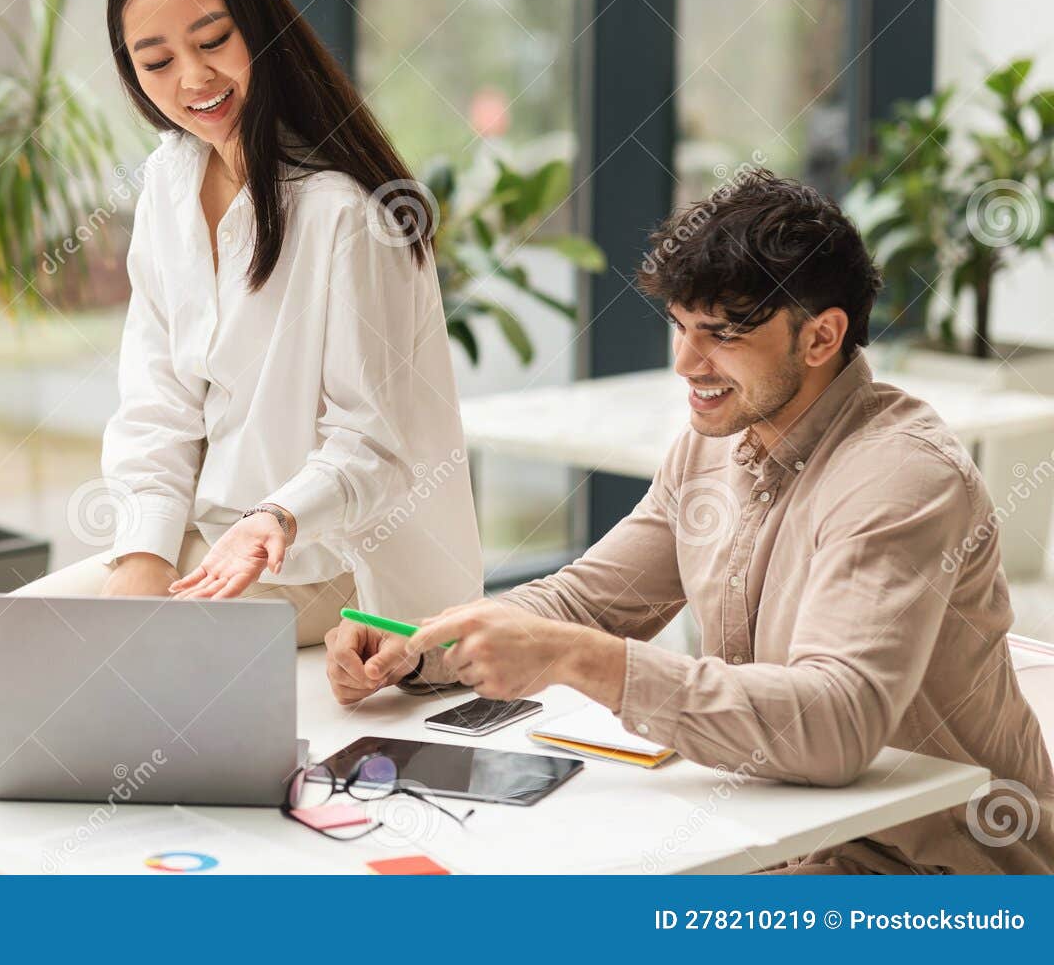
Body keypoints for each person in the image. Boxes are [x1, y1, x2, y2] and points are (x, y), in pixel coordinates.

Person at [325, 168, 1054, 875]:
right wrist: (418, 646)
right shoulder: (713, 450)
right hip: (781, 836)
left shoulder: (900, 476)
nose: (685, 361)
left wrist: (581, 659)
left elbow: (838, 724)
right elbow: (584, 604)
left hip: (932, 872)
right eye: (678, 326)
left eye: (721, 334)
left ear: (821, 337)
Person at [0, 0, 481, 678]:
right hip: (209, 544)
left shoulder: (348, 213)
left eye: (213, 40)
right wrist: (143, 553)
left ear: (260, 27)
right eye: (156, 60)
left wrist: (275, 516)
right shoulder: (169, 179)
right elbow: (158, 400)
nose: (192, 79)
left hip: (323, 559)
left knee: (58, 664)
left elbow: (373, 444)